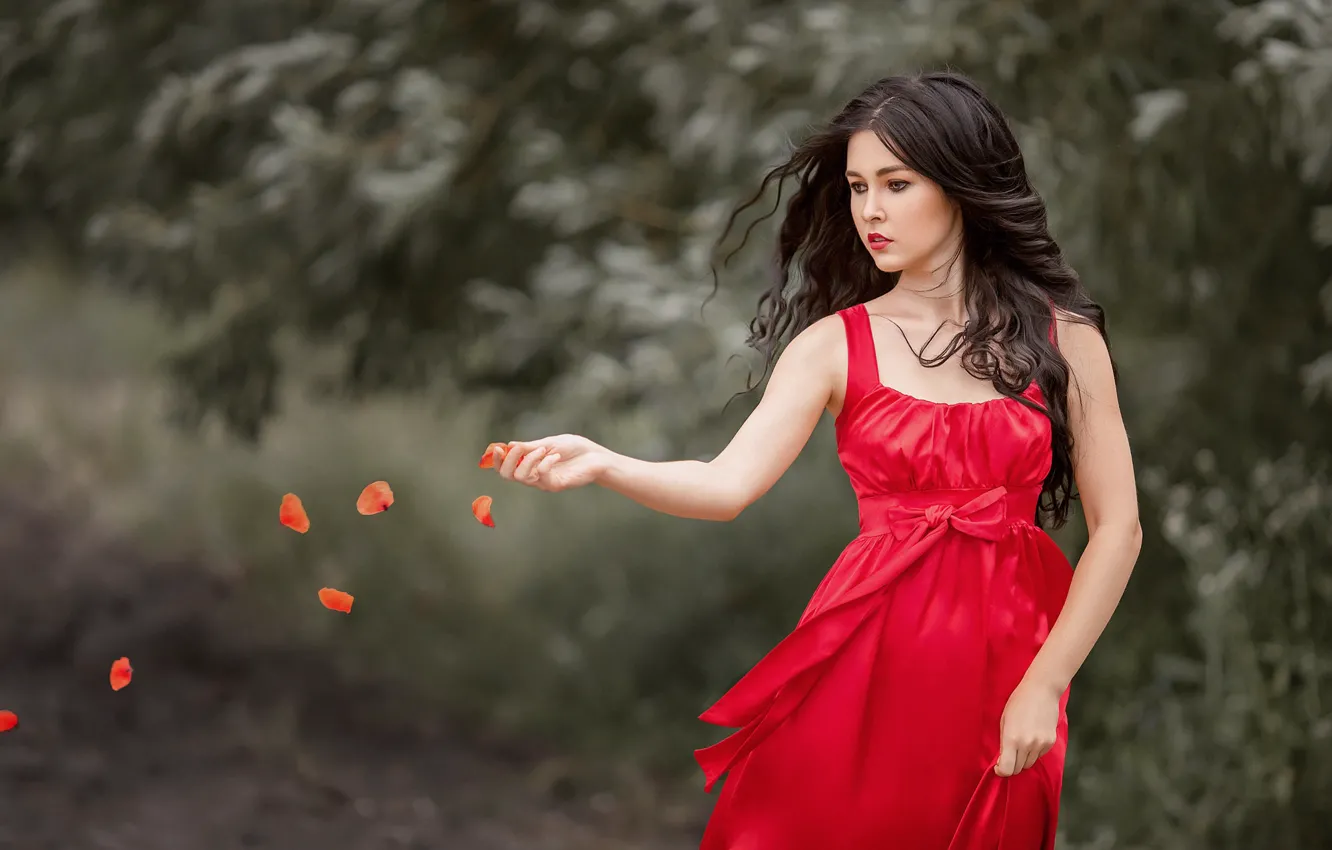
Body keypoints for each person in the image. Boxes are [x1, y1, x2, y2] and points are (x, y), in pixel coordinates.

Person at [487, 70, 1142, 850]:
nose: (870, 209)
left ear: (962, 184)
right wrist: (603, 462)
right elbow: (724, 486)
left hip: (1008, 672)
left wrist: (1046, 683)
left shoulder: (1063, 338)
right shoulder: (832, 345)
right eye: (859, 186)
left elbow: (1120, 528)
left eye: (896, 185)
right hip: (861, 668)